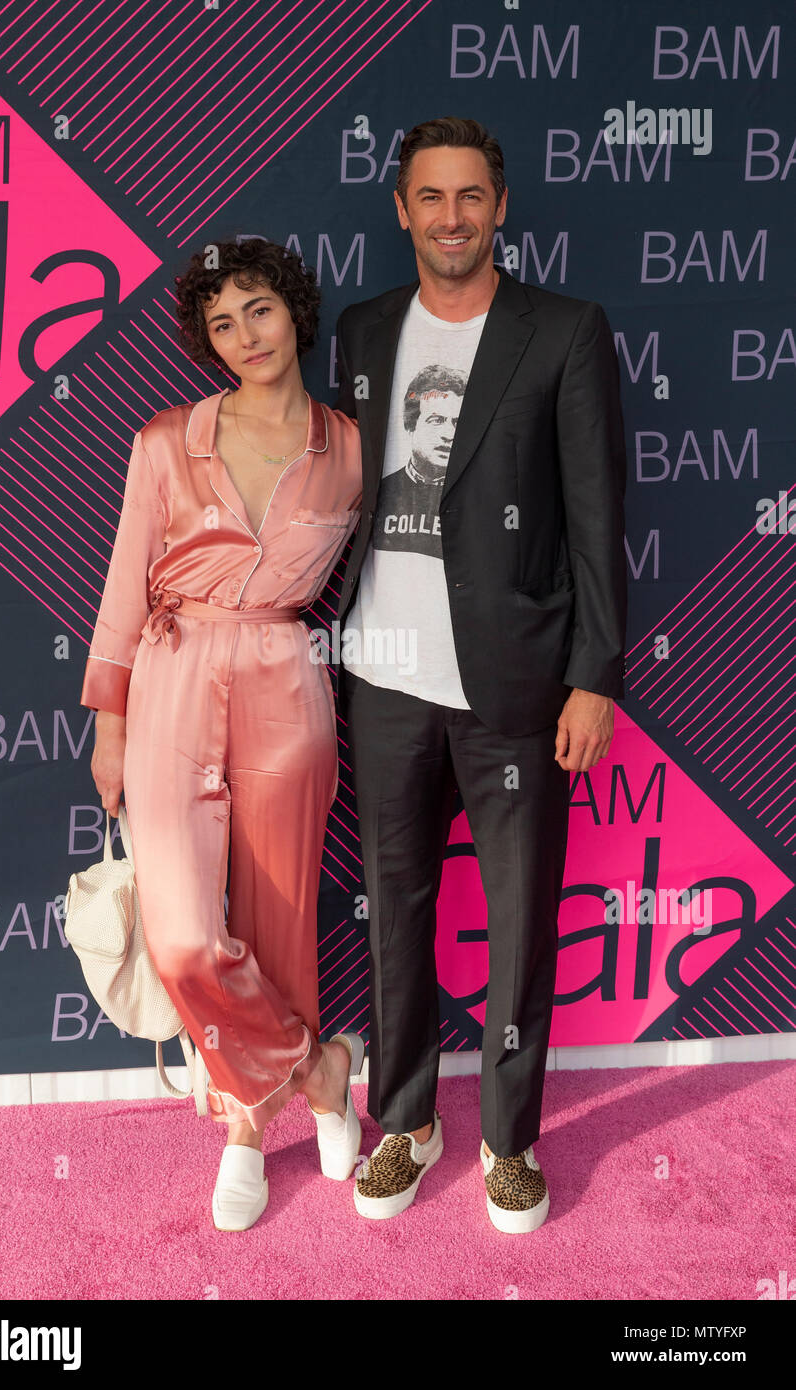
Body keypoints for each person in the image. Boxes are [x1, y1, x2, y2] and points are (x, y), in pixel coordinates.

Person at [334, 117, 627, 1231]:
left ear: (499, 207)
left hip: (513, 683)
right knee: (394, 912)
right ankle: (405, 1120)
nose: (449, 215)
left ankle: (508, 1138)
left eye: (470, 196)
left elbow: (599, 513)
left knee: (517, 920)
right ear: (400, 210)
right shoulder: (363, 332)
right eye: (428, 196)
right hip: (383, 674)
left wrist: (592, 673)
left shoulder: (560, 330)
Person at [81, 239, 365, 1232]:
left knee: (280, 918)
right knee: (187, 935)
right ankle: (321, 1071)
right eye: (222, 323)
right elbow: (124, 585)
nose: (246, 335)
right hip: (172, 669)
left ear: (293, 312)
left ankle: (246, 1126)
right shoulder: (166, 438)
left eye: (259, 310)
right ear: (206, 343)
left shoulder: (349, 446)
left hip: (287, 680)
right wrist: (110, 722)